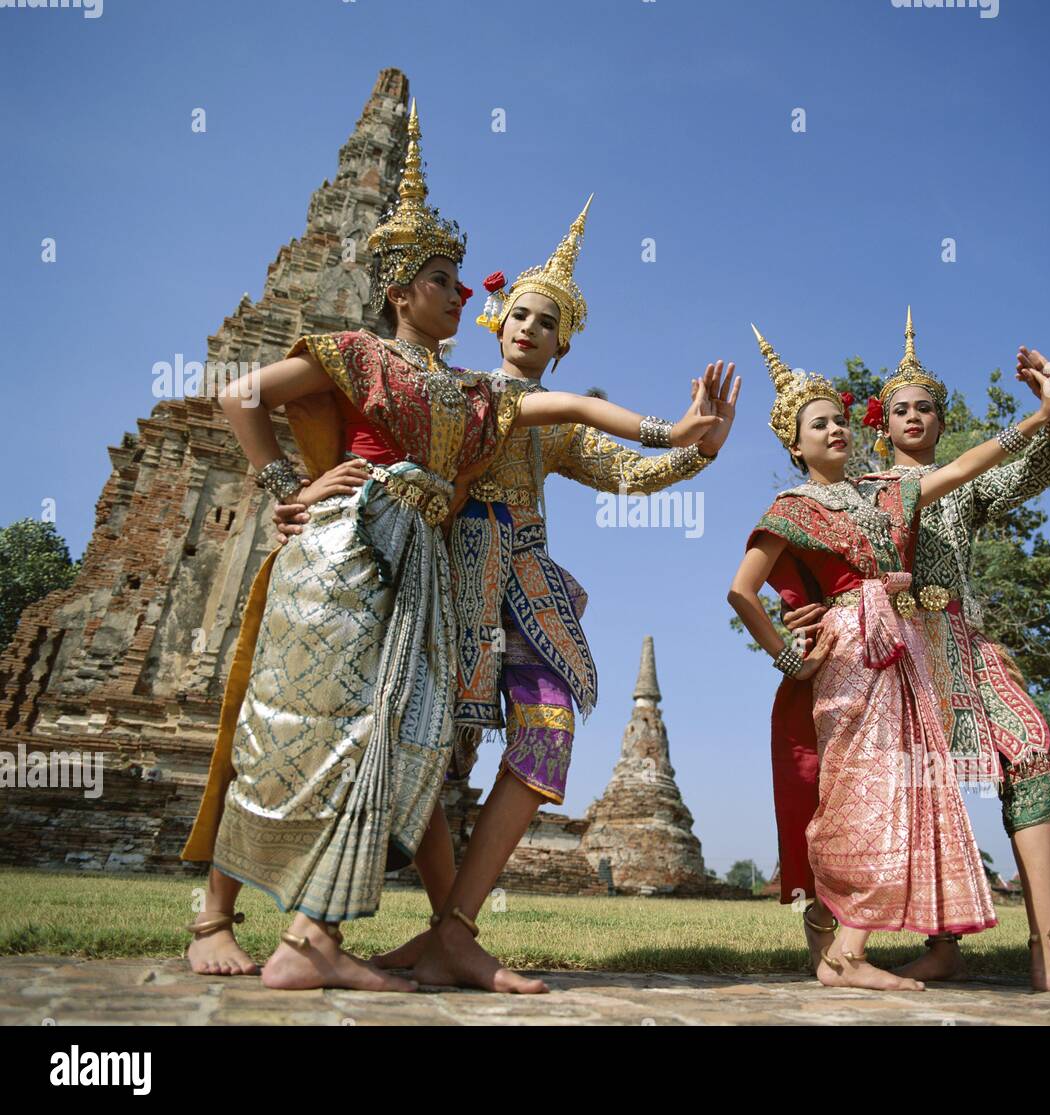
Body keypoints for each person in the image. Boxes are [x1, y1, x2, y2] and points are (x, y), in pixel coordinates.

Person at [177, 102, 724, 992]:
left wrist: (684, 440)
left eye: (546, 320)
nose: (506, 316)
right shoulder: (412, 371)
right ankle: (274, 920)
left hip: (476, 576)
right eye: (495, 302)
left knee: (466, 736)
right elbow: (249, 395)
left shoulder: (490, 403)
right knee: (341, 726)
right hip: (389, 558)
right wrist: (289, 487)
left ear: (563, 337)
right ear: (444, 304)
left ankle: (419, 929)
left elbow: (596, 432)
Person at [779, 311, 1050, 994]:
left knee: (1033, 745)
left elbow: (1032, 472)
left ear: (943, 423)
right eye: (900, 409)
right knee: (898, 793)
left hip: (961, 649)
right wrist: (798, 616)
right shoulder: (860, 493)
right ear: (879, 425)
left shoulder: (965, 485)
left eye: (926, 408)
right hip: (886, 660)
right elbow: (808, 564)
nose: (913, 416)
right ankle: (908, 942)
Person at [728, 324, 1050, 991]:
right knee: (855, 792)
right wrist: (790, 654)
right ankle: (835, 950)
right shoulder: (805, 504)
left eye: (840, 419)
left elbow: (974, 469)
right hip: (854, 656)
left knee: (917, 791)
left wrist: (1049, 414)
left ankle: (1011, 947)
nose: (836, 429)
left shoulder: (887, 495)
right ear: (795, 445)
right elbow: (745, 588)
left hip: (913, 650)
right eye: (818, 424)